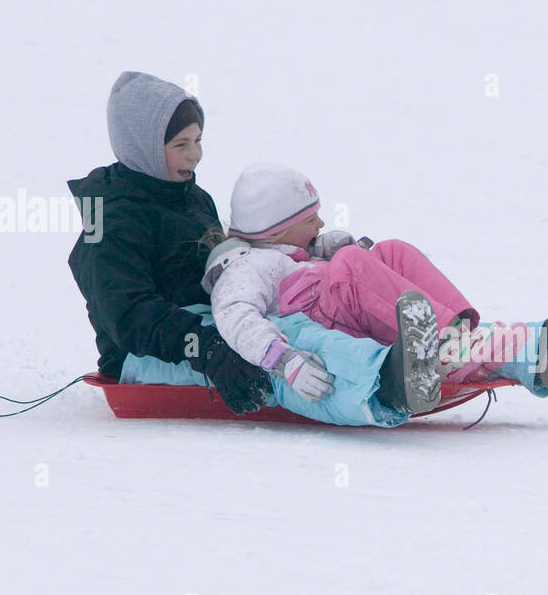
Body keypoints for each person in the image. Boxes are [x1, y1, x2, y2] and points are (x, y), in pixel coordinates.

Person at [67, 72, 437, 422]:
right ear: (142, 148)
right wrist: (209, 349)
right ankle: (384, 385)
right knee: (286, 352)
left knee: (298, 320)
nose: (195, 155)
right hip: (147, 355)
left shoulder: (193, 199)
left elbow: (231, 260)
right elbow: (127, 315)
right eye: (180, 145)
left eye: (197, 141)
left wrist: (308, 254)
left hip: (215, 322)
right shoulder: (108, 222)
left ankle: (415, 353)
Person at [202, 162, 548, 400]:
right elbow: (234, 315)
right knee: (354, 262)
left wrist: (327, 249)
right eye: (310, 220)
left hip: (340, 306)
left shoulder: (288, 253)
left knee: (390, 250)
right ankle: (450, 345)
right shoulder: (245, 268)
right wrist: (283, 361)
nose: (320, 223)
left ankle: (483, 338)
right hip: (319, 320)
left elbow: (319, 256)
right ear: (277, 230)